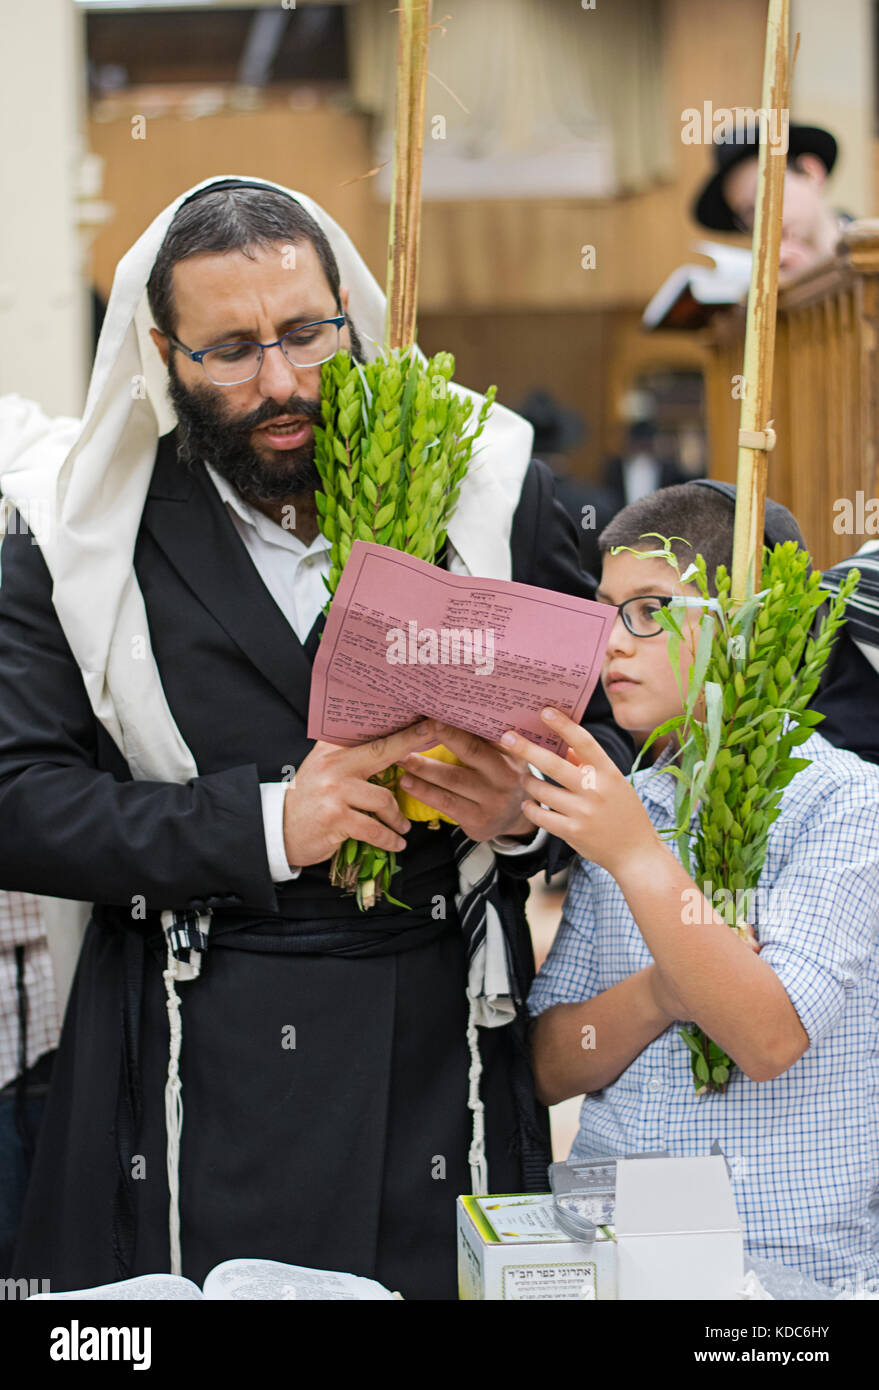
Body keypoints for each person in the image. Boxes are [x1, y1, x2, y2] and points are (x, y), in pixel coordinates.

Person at [0, 177, 630, 1300]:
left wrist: (525, 814)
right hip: (199, 1028)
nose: (283, 382)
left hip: (444, 1028)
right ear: (162, 353)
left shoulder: (484, 492)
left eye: (306, 334)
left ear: (352, 314)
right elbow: (19, 803)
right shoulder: (75, 534)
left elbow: (616, 746)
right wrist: (263, 823)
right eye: (231, 350)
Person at [498, 482, 879, 1290]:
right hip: (613, 1256)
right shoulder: (631, 802)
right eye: (604, 612)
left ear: (752, 626)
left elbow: (765, 1038)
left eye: (649, 611)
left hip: (781, 1273)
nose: (611, 645)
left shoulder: (844, 803)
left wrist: (637, 856)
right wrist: (663, 994)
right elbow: (550, 1066)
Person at [693, 122, 852, 277]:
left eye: (767, 193)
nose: (763, 218)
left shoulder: (872, 249)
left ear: (811, 172)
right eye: (749, 212)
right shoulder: (777, 284)